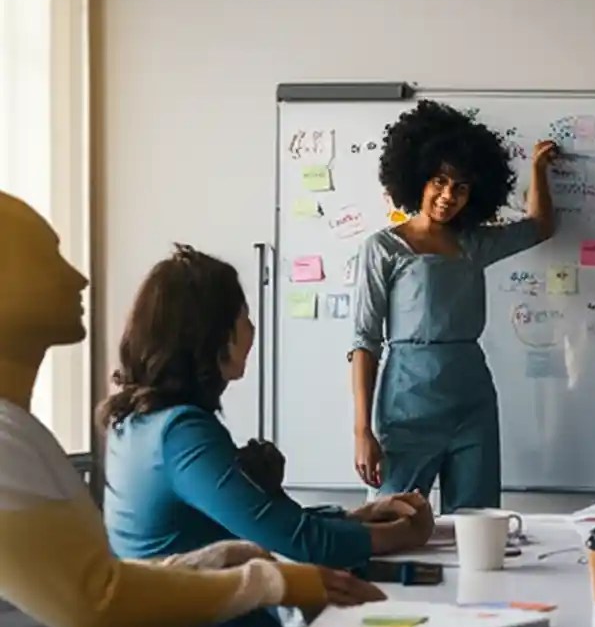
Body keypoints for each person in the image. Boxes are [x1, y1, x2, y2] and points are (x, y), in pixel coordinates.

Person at [0, 191, 384, 627]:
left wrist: (218, 560)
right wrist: (268, 582)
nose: (79, 277)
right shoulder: (169, 429)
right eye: (47, 257)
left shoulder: (24, 430)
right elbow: (95, 605)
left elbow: (95, 580)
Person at [103, 246, 435, 574]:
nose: (252, 330)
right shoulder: (181, 434)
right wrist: (408, 533)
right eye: (244, 317)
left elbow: (265, 523)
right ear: (216, 336)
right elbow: (302, 542)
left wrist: (358, 515)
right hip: (210, 625)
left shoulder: (142, 423)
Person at [350, 100, 558, 511]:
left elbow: (540, 226)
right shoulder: (384, 248)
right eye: (439, 181)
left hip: (472, 402)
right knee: (391, 521)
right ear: (417, 178)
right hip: (407, 404)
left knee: (476, 524)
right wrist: (362, 430)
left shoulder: (473, 243)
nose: (448, 196)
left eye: (461, 187)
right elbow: (364, 341)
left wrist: (536, 169)